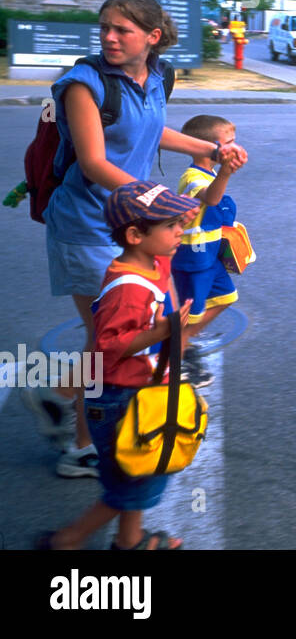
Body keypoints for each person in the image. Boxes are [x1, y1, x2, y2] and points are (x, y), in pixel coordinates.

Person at [26, 0, 248, 479]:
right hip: (86, 226)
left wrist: (207, 149)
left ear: (151, 37)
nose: (108, 37)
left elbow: (151, 128)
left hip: (132, 224)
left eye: (121, 29)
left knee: (122, 330)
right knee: (108, 337)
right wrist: (158, 204)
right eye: (104, 27)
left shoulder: (155, 77)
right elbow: (94, 161)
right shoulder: (84, 85)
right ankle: (76, 431)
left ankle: (64, 401)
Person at [36, 180, 200, 550]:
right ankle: (68, 540)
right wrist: (159, 331)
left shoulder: (149, 258)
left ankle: (129, 541)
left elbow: (166, 252)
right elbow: (107, 347)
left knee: (140, 468)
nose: (180, 232)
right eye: (172, 226)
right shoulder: (129, 287)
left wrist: (182, 217)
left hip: (134, 389)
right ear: (135, 234)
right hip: (119, 397)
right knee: (132, 482)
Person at [172, 114, 246, 388]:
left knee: (226, 297)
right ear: (210, 146)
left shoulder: (209, 173)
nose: (235, 148)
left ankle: (182, 342)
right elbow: (212, 198)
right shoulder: (193, 177)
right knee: (188, 313)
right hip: (192, 259)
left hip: (209, 256)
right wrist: (226, 172)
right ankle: (172, 362)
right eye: (230, 143)